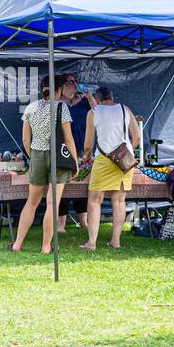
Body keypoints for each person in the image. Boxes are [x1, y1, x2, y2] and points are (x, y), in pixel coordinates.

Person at [11, 79, 80, 254]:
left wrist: (32, 156)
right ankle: (46, 246)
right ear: (58, 89)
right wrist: (75, 162)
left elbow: (26, 139)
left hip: (37, 154)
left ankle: (17, 244)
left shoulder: (31, 108)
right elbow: (69, 138)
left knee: (31, 202)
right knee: (52, 203)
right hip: (58, 157)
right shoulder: (61, 107)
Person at [80, 87, 142, 251]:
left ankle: (92, 242)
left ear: (98, 100)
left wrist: (86, 156)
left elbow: (88, 144)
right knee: (119, 201)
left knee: (94, 200)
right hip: (124, 161)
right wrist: (124, 151)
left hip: (103, 159)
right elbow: (137, 137)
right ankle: (116, 241)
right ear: (112, 97)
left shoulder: (94, 112)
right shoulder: (125, 109)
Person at [56, 73, 94, 233]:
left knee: (83, 183)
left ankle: (83, 221)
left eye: (75, 81)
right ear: (62, 86)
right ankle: (60, 224)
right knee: (62, 183)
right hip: (63, 148)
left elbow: (99, 113)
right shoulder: (57, 103)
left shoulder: (85, 102)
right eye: (70, 82)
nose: (74, 84)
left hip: (82, 148)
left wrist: (90, 97)